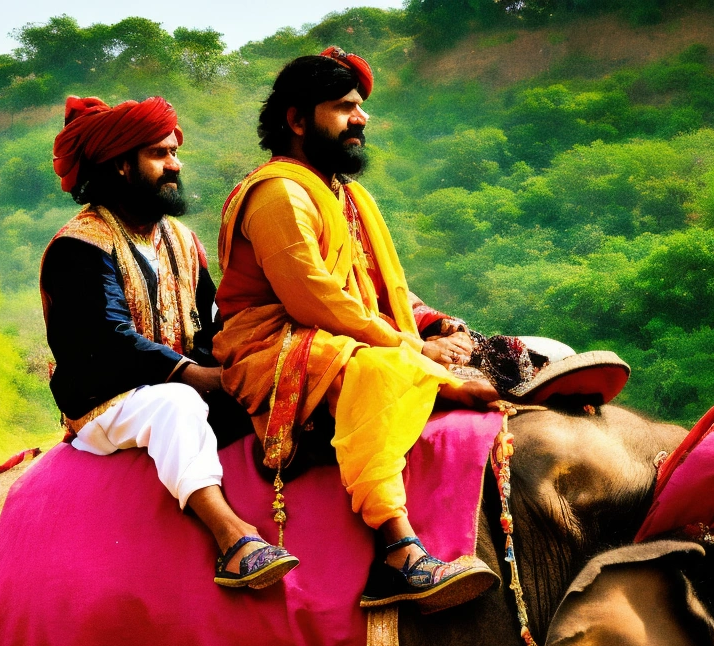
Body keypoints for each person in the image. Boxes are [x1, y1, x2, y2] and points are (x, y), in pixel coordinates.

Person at [212, 46, 499, 613]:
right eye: (344, 107)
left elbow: (380, 288)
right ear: (297, 120)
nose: (360, 118)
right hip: (277, 345)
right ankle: (397, 549)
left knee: (503, 354)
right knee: (381, 370)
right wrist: (420, 352)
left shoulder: (348, 193)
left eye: (360, 107)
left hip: (343, 333)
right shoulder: (279, 194)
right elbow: (316, 300)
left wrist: (437, 324)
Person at [42, 94, 290, 592]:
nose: (174, 165)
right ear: (119, 165)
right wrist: (199, 377)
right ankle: (233, 539)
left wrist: (251, 362)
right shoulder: (79, 245)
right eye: (160, 154)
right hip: (105, 403)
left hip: (182, 388)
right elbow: (109, 343)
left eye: (175, 153)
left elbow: (215, 320)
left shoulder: (181, 238)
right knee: (175, 402)